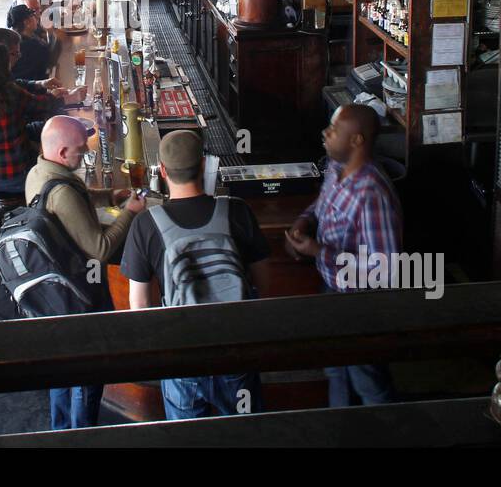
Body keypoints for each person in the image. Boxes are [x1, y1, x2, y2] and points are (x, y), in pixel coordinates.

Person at [120, 129, 271, 420]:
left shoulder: (146, 224)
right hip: (235, 352)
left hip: (182, 355)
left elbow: (139, 306)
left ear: (163, 171)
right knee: (248, 432)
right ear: (204, 165)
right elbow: (263, 284)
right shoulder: (237, 211)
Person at [25, 115, 147, 429]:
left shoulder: (40, 172)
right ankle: (81, 434)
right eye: (81, 151)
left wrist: (109, 198)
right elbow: (100, 250)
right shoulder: (62, 192)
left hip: (53, 297)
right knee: (85, 375)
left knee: (62, 372)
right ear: (63, 153)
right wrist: (130, 214)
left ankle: (60, 430)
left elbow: (75, 196)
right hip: (79, 298)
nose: (85, 155)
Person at [285, 103, 403, 407]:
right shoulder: (337, 169)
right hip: (332, 291)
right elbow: (321, 207)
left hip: (360, 305)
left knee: (369, 384)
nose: (325, 133)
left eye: (334, 130)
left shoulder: (371, 193)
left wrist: (317, 251)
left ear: (357, 140)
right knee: (337, 370)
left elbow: (385, 269)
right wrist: (304, 220)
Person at [0, 43, 61, 197]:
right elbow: (43, 104)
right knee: (51, 130)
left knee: (40, 127)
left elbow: (18, 84)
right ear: (4, 65)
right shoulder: (10, 92)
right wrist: (56, 95)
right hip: (17, 176)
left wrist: (40, 84)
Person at [0, 28, 69, 145]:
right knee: (54, 123)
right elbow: (37, 104)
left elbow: (13, 83)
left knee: (50, 115)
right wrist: (58, 96)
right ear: (0, 52)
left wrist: (39, 83)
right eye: (15, 53)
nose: (18, 58)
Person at [6, 2, 51, 81]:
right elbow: (49, 56)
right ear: (26, 22)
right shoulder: (31, 46)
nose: (36, 17)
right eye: (33, 16)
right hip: (33, 85)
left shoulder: (13, 39)